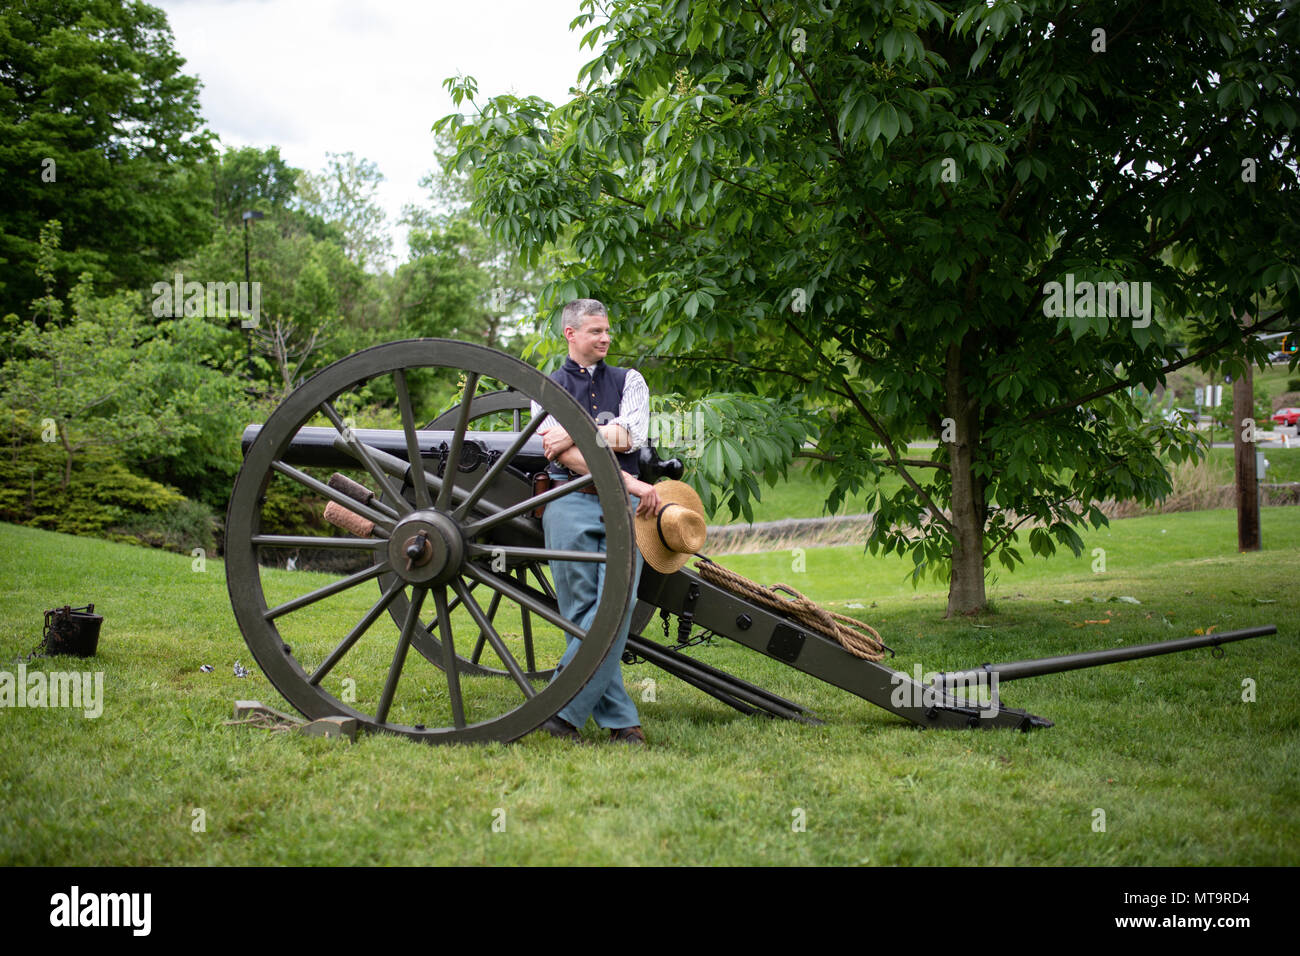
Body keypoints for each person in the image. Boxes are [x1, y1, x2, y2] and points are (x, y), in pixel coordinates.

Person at [528, 299, 661, 745]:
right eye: (595, 332)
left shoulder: (630, 381)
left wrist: (574, 430)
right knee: (581, 609)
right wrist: (588, 436)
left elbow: (632, 434)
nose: (605, 339)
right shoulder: (545, 385)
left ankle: (562, 713)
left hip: (624, 507)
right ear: (571, 334)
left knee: (618, 603)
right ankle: (622, 723)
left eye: (607, 332)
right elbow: (558, 452)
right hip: (569, 499)